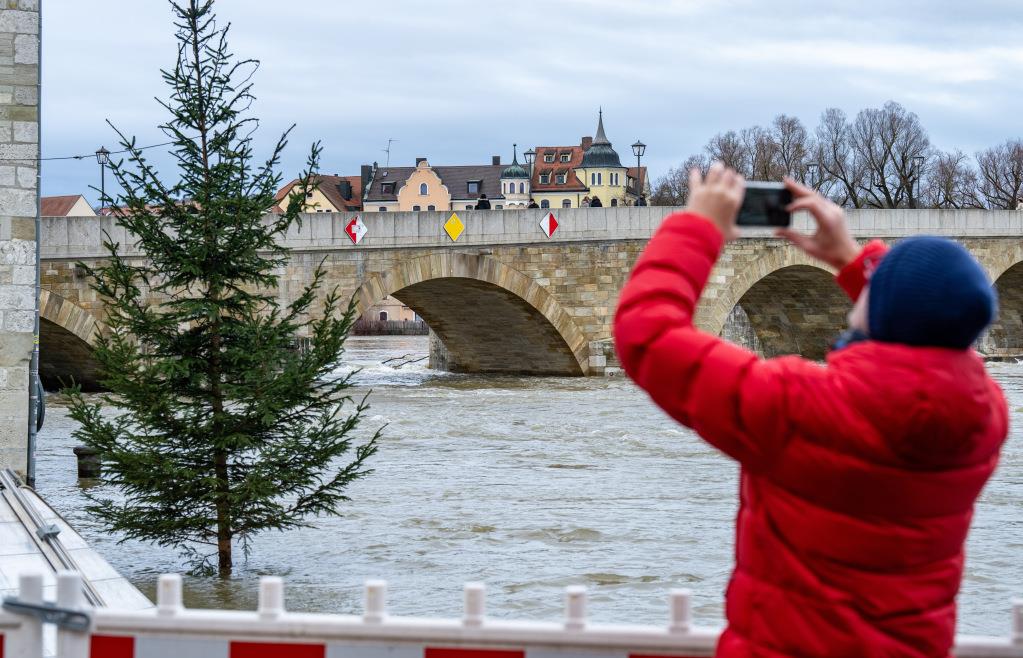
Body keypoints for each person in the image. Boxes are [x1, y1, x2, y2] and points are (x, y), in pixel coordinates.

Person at [614, 163, 1007, 657]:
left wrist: (698, 228)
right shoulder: (985, 418)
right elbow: (931, 337)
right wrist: (850, 258)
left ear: (878, 310)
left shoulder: (800, 407)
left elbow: (648, 336)